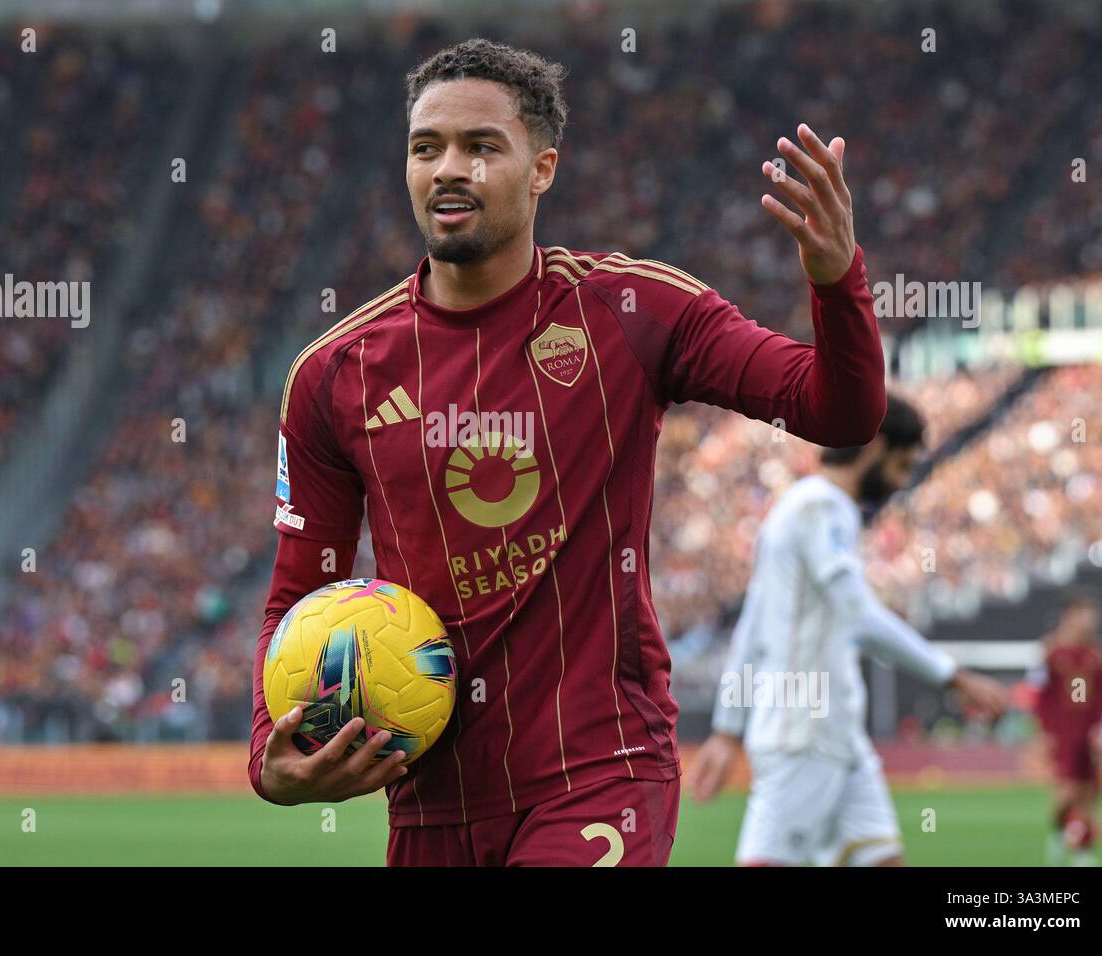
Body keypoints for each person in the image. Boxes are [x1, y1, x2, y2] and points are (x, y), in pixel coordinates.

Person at [250, 37, 889, 866]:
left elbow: (837, 410)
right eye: (426, 147)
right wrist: (273, 751)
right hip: (431, 799)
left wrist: (838, 282)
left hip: (600, 770)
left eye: (482, 147)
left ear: (543, 168)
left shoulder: (633, 311)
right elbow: (303, 593)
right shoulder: (332, 375)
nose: (450, 169)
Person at [690, 395, 1008, 866]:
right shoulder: (820, 507)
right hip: (803, 735)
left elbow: (751, 630)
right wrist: (952, 675)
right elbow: (857, 612)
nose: (901, 482)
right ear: (876, 446)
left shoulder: (799, 508)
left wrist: (727, 730)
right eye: (903, 465)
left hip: (837, 737)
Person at [1030, 589, 1102, 866]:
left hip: (1088, 733)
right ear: (1070, 616)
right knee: (1067, 792)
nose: (1092, 621)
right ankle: (1057, 837)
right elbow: (1040, 694)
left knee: (1091, 791)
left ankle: (1083, 852)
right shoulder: (1052, 651)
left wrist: (1099, 729)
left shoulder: (1097, 653)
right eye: (1086, 614)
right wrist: (1044, 730)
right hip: (1062, 734)